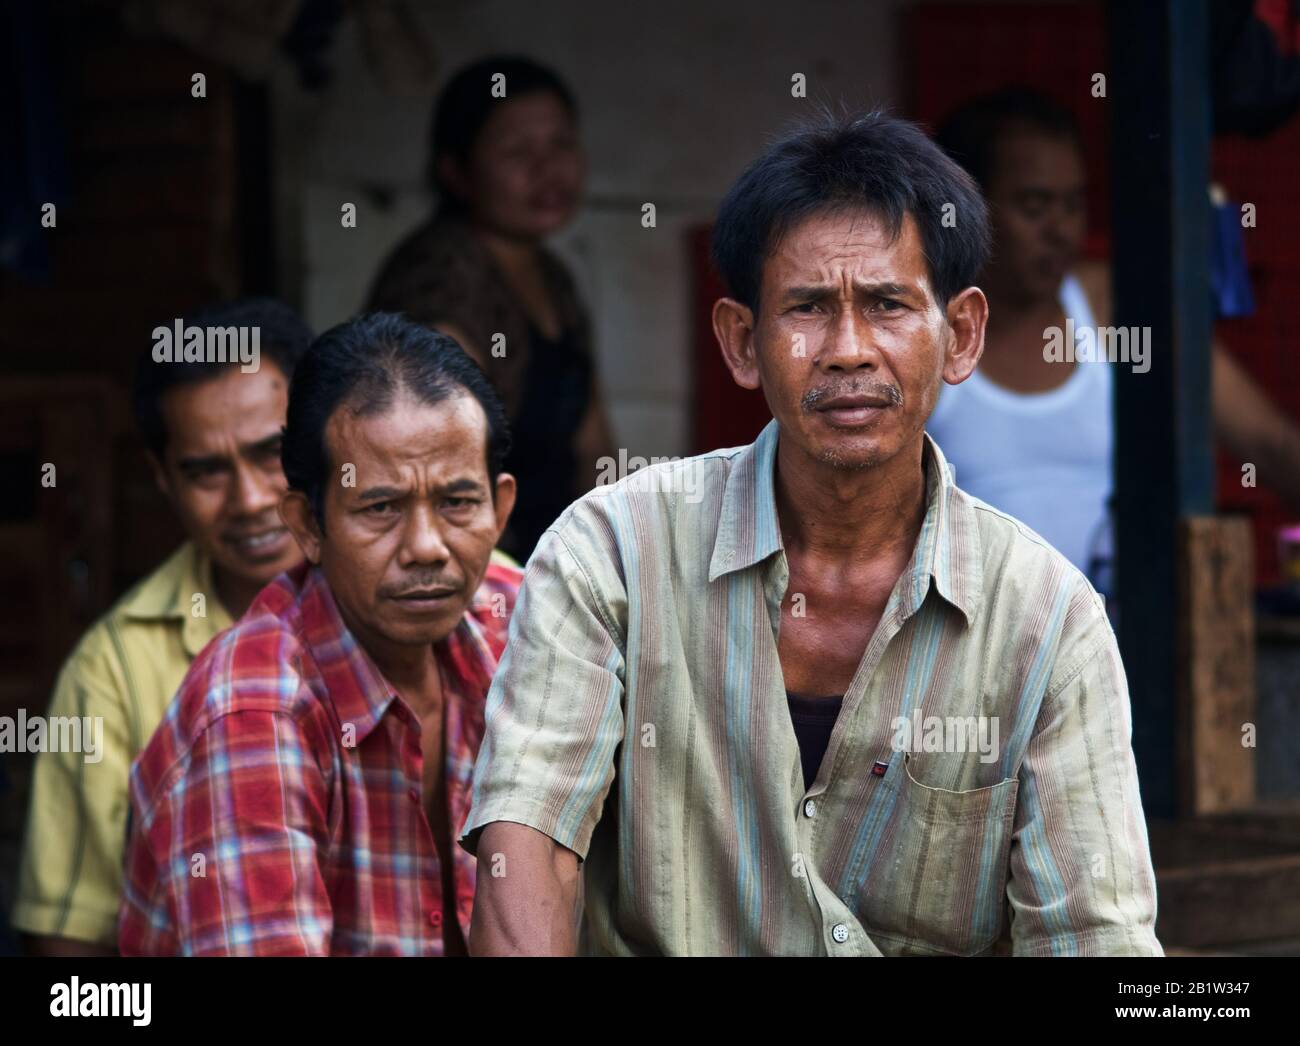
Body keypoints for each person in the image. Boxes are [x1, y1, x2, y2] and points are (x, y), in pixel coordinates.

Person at [461, 111, 1163, 957]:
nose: (847, 349)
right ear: (742, 342)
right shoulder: (608, 553)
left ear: (961, 335)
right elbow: (527, 845)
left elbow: (1094, 936)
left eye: (887, 304)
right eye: (806, 308)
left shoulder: (1049, 623)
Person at [118, 313, 521, 956]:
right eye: (380, 507)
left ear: (500, 510)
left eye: (457, 503)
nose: (426, 547)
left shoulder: (520, 623)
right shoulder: (251, 712)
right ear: (307, 525)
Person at [13, 298, 312, 956]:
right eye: (206, 471)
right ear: (162, 480)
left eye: (274, 455)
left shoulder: (447, 590)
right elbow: (68, 947)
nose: (252, 500)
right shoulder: (111, 669)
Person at [928, 87, 1300, 584]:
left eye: (1073, 204)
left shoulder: (1108, 310)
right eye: (1034, 206)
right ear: (968, 208)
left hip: (1117, 647)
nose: (1061, 231)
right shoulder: (923, 333)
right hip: (976, 651)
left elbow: (1268, 445)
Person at [368, 55, 614, 562]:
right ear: (456, 172)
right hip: (472, 565)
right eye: (516, 150)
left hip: (553, 566)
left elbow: (593, 444)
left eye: (561, 143)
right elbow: (442, 456)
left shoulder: (553, 275)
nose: (547, 169)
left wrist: (613, 554)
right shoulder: (438, 273)